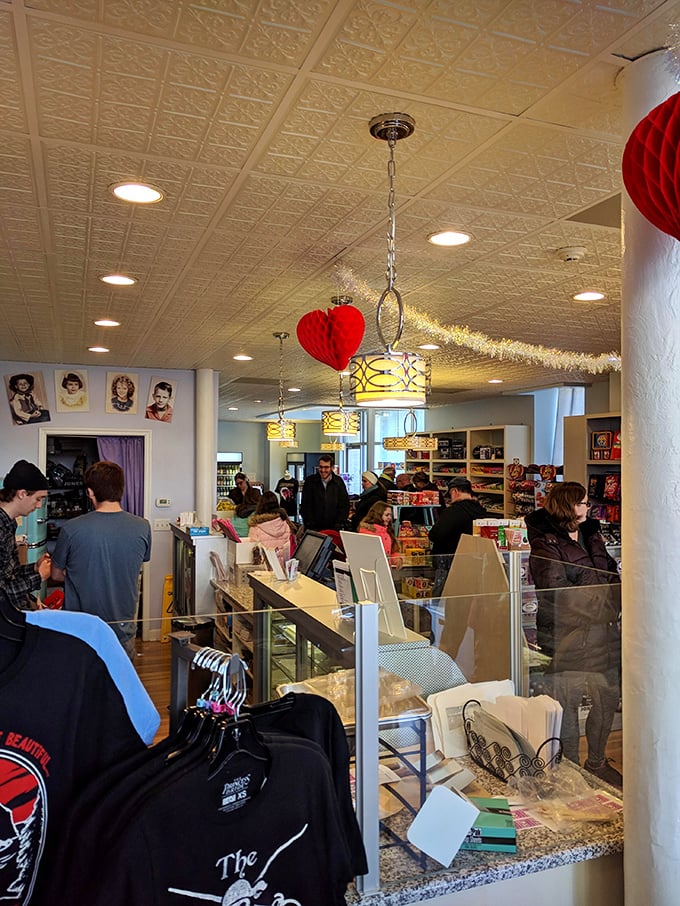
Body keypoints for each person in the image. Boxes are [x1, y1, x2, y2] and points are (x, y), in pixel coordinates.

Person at [525, 481, 622, 787]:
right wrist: (603, 607)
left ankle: (596, 762)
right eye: (581, 503)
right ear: (567, 506)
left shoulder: (592, 534)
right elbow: (556, 592)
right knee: (565, 706)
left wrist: (613, 603)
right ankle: (568, 770)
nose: (587, 508)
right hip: (567, 637)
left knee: (607, 697)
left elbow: (610, 573)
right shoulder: (545, 543)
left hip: (604, 633)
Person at [51, 461, 152, 659]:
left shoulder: (71, 529)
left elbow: (56, 574)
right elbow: (136, 565)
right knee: (118, 685)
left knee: (82, 686)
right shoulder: (143, 526)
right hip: (123, 629)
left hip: (82, 630)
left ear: (90, 492)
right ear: (121, 489)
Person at [0, 460, 52, 609]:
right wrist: (38, 577)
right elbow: (2, 594)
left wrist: (34, 568)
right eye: (38, 499)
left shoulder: (9, 523)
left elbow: (9, 576)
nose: (38, 505)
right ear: (22, 494)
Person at [300, 455, 350, 532]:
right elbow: (305, 504)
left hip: (334, 527)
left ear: (332, 468)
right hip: (314, 527)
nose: (323, 470)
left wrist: (340, 523)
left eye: (326, 467)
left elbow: (344, 504)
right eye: (321, 467)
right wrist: (309, 523)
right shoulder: (310, 481)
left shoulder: (338, 482)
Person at [247, 491, 296, 562]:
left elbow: (253, 550)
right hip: (284, 567)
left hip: (264, 568)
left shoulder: (256, 526)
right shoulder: (286, 523)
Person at [358, 500, 401, 565]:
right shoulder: (367, 533)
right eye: (387, 515)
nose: (389, 518)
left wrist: (396, 559)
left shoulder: (388, 531)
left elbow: (393, 550)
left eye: (390, 515)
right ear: (378, 515)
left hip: (385, 570)